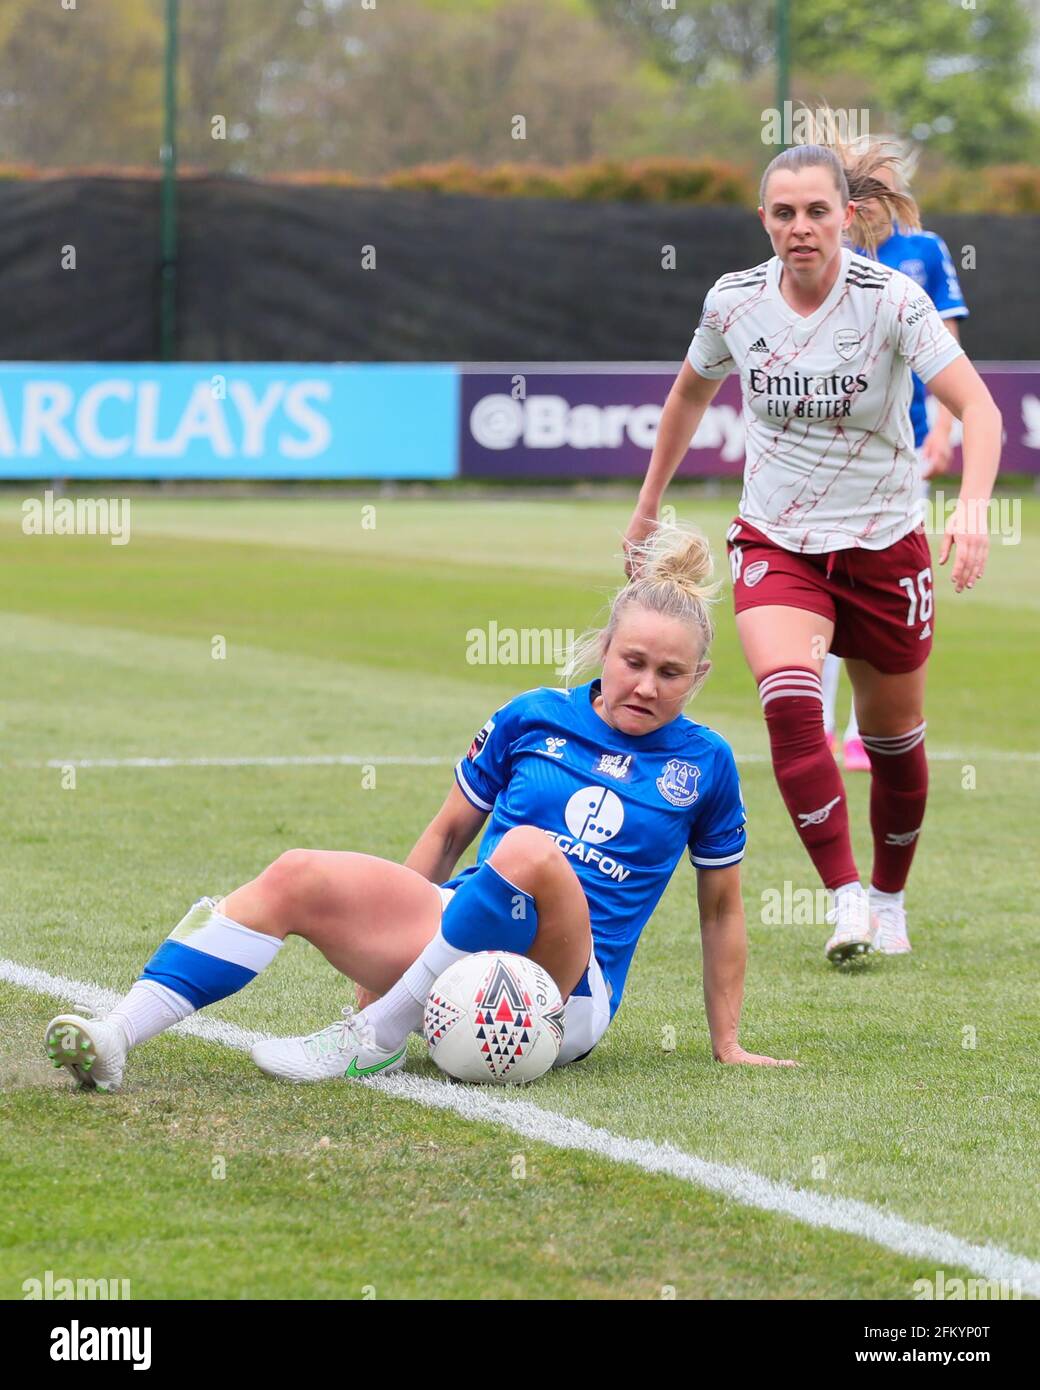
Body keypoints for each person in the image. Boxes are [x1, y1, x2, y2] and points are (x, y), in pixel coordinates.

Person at [45, 525, 794, 1092]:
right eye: (633, 662)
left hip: (566, 987)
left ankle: (374, 1037)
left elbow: (722, 911)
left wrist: (726, 1042)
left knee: (529, 852)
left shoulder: (706, 765)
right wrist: (375, 971)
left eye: (670, 673)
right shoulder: (533, 714)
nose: (646, 686)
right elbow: (444, 836)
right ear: (605, 649)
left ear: (697, 678)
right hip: (461, 935)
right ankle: (116, 1036)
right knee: (296, 872)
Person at [624, 133, 1000, 964]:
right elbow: (690, 392)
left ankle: (892, 900)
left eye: (818, 211)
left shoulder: (894, 299)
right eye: (785, 212)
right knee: (792, 706)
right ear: (764, 220)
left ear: (849, 216)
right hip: (777, 540)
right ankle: (847, 901)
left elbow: (981, 410)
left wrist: (970, 511)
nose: (801, 227)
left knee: (895, 740)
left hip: (885, 544)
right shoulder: (734, 304)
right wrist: (649, 504)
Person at [824, 141, 969, 771]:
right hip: (831, 445)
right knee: (820, 582)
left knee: (880, 587)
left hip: (902, 444)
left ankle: (863, 733)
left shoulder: (926, 249)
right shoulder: (829, 241)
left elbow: (949, 341)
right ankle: (817, 730)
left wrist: (944, 429)